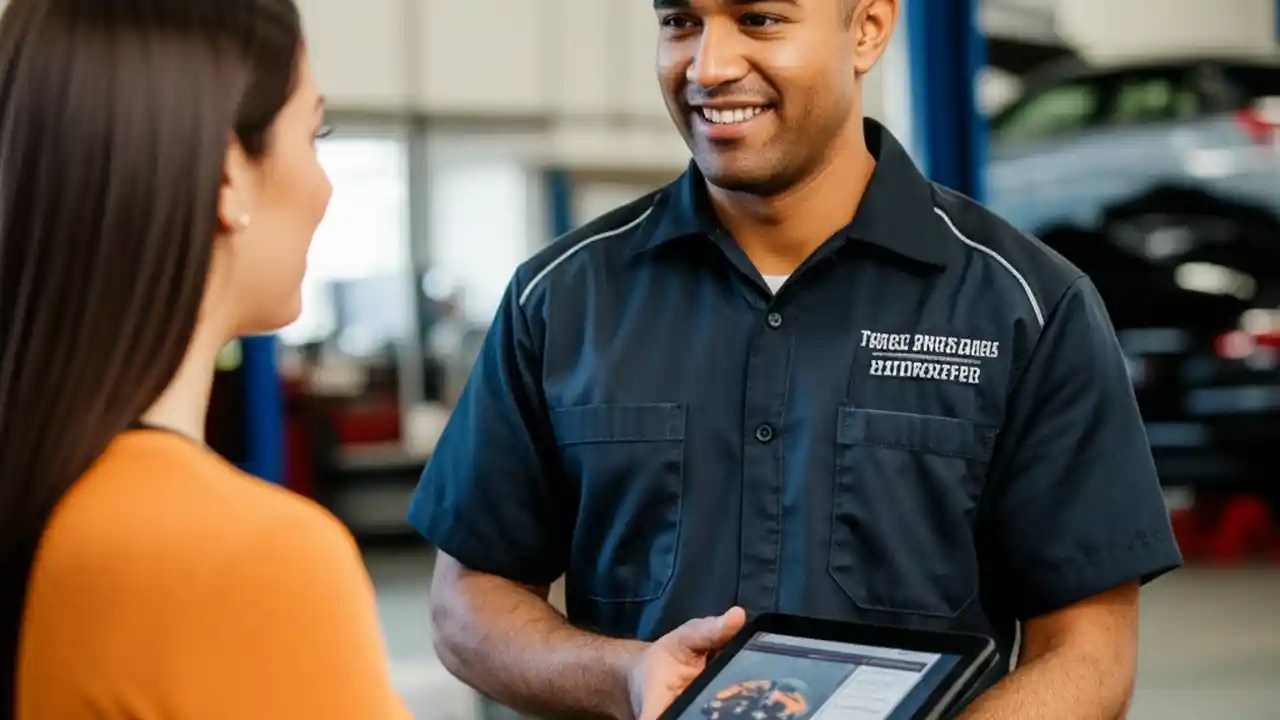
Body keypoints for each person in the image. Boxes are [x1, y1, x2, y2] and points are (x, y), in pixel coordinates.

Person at [409, 0, 1183, 718]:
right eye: (680, 21)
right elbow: (468, 601)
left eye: (760, 18)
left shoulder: (1027, 306)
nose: (708, 65)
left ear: (869, 28)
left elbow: (1089, 648)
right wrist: (626, 674)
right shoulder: (561, 299)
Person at [0, 0, 409, 717]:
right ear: (227, 174)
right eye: (315, 134)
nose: (324, 186)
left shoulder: (50, 495)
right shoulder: (251, 559)